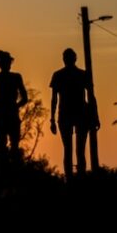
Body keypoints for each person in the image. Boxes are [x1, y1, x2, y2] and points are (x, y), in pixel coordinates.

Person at [49, 48, 92, 181]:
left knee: (73, 150)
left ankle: (75, 179)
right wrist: (52, 119)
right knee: (75, 150)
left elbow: (91, 96)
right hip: (71, 115)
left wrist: (94, 117)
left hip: (75, 115)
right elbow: (54, 99)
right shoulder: (77, 74)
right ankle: (73, 179)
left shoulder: (62, 75)